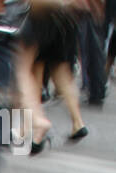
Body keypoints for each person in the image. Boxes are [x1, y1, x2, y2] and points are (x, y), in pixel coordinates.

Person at [16, 0, 88, 150]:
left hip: (40, 17)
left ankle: (31, 125)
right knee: (62, 73)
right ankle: (78, 123)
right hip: (65, 18)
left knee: (29, 71)